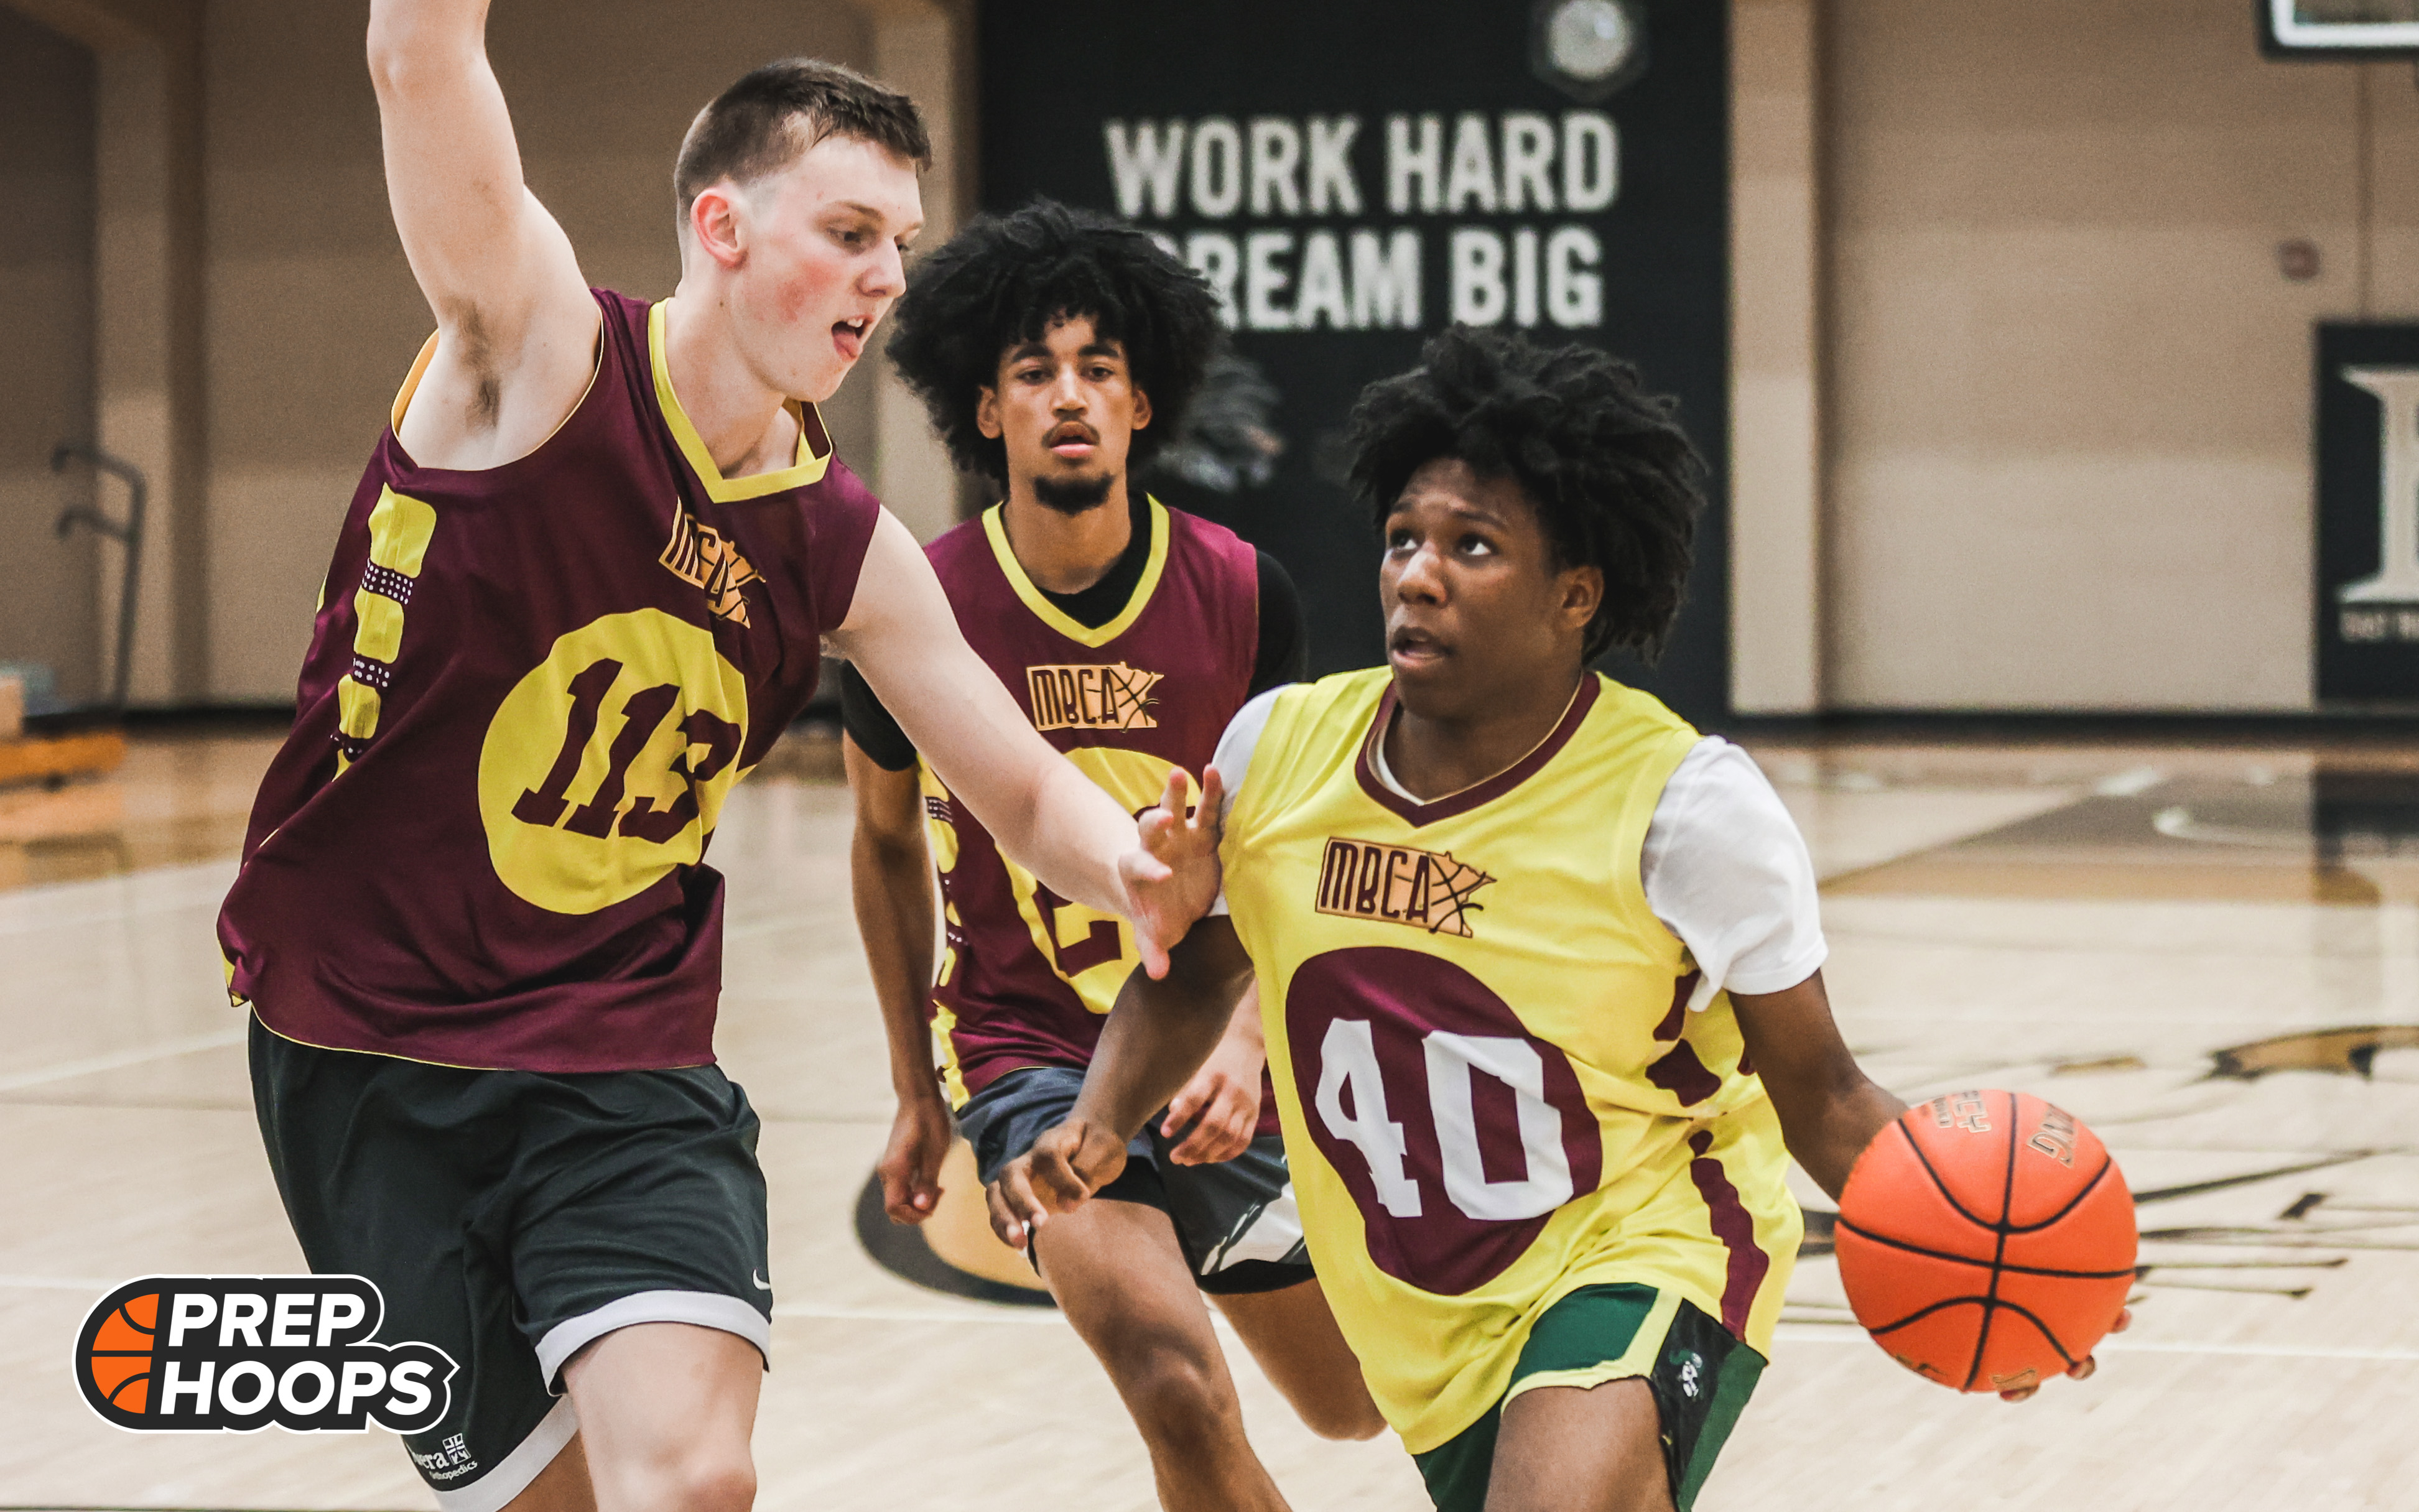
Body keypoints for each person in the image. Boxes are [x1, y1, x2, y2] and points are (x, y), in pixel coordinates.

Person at [217, 12, 1218, 1511]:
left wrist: (1132, 865)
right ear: (722, 225)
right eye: (852, 230)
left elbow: (1017, 786)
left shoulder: (843, 543)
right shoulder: (539, 347)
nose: (888, 276)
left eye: (902, 243)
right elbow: (419, 62)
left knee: (692, 1478)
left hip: (620, 1052)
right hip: (361, 1049)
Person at [985, 327, 2124, 1512]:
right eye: (1403, 541)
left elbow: (1823, 1097)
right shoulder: (1278, 752)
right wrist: (1103, 1118)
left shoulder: (1686, 808)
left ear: (1574, 593)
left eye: (1471, 548)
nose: (1416, 574)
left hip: (1647, 1244)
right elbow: (1194, 971)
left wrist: (2012, 1264)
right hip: (1423, 1310)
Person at [841, 200, 1383, 1511]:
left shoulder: (1247, 592)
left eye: (1099, 369)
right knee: (1173, 1379)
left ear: (1146, 406)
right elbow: (879, 842)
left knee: (1353, 1405)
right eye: (1035, 371)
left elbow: (1277, 851)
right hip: (1030, 1059)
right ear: (986, 411)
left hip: (1208, 1049)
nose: (1068, 397)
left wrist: (1251, 1045)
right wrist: (917, 1088)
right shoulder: (917, 607)